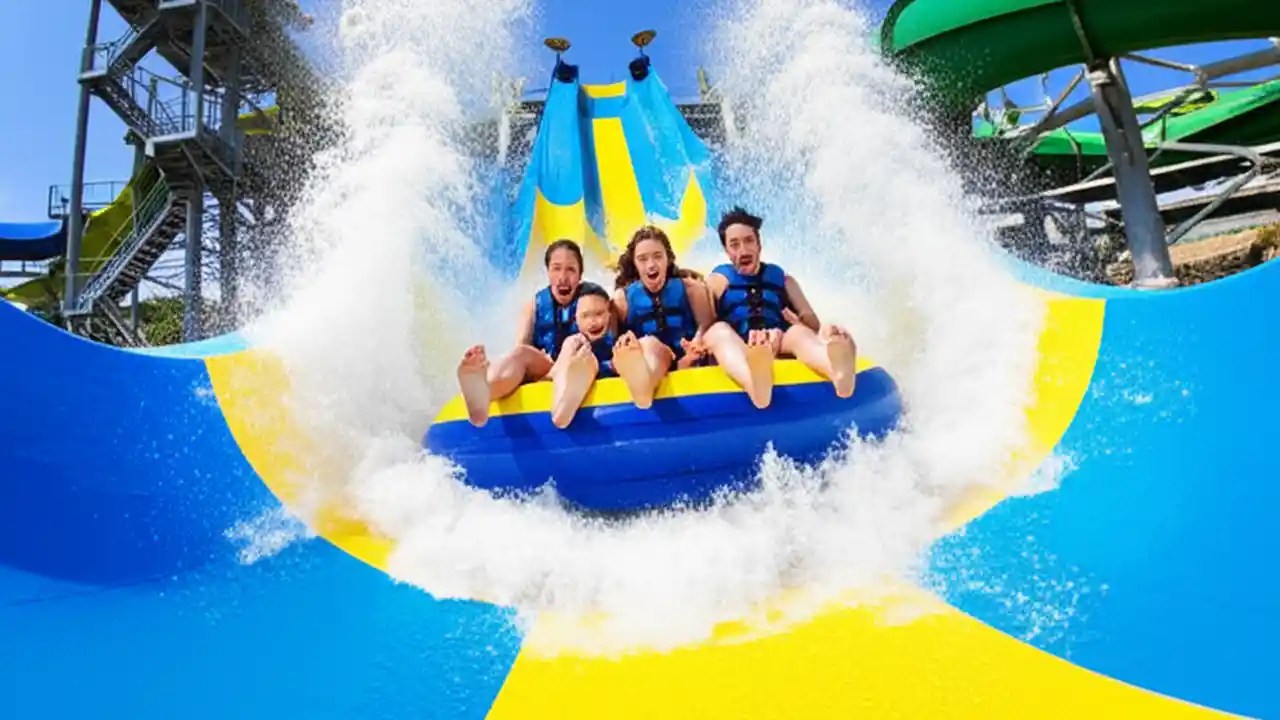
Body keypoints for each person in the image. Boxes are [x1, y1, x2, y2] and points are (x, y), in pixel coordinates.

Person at [702, 206, 857, 400]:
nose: (744, 250)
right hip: (739, 344)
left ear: (759, 244)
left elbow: (812, 323)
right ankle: (753, 381)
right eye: (735, 245)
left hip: (778, 342)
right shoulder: (719, 280)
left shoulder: (782, 279)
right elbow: (702, 321)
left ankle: (836, 370)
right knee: (718, 332)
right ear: (726, 250)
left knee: (798, 333)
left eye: (749, 241)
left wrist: (798, 322)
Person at [456, 239, 585, 427]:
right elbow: (520, 348)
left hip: (581, 363)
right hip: (547, 368)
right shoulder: (533, 306)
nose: (563, 277)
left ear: (580, 275)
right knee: (521, 353)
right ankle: (483, 390)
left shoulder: (592, 300)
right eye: (556, 268)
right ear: (548, 272)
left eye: (571, 270)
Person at [610, 225, 714, 409]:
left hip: (690, 358)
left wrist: (697, 343)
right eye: (642, 259)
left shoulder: (692, 289)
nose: (651, 265)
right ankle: (643, 384)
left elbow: (707, 325)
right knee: (649, 344)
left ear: (668, 259)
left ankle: (645, 387)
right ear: (634, 264)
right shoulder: (622, 300)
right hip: (653, 357)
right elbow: (613, 342)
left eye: (657, 256)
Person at [544, 281, 617, 428]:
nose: (593, 322)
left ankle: (564, 404)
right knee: (573, 345)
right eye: (585, 316)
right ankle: (564, 400)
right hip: (573, 366)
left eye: (599, 314)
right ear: (576, 319)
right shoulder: (571, 344)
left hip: (596, 367)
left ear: (609, 314)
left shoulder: (613, 344)